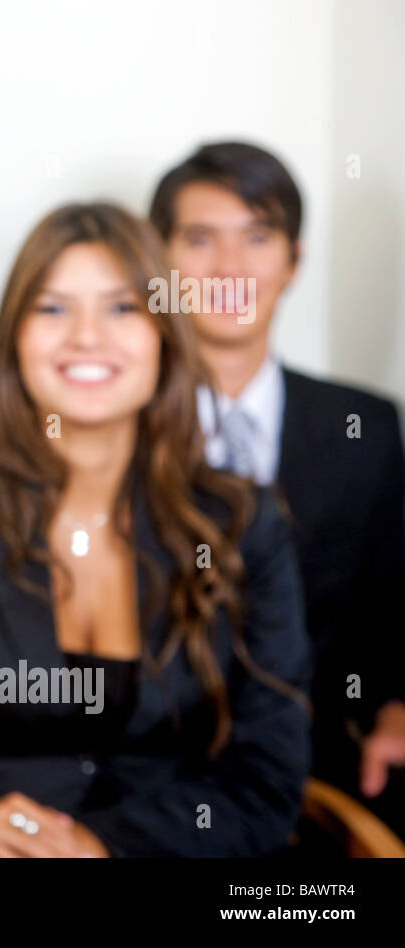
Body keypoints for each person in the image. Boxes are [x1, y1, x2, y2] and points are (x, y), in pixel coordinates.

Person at [0, 202, 311, 858]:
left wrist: (101, 846)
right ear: (15, 336)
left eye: (123, 308)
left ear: (164, 336)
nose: (87, 337)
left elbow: (266, 777)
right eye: (53, 308)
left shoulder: (241, 523)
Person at [150, 141, 405, 837]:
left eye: (257, 238)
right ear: (160, 264)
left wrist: (396, 705)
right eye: (201, 240)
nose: (230, 268)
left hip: (321, 761)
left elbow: (391, 610)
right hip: (142, 765)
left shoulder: (366, 428)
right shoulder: (116, 426)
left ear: (293, 260)